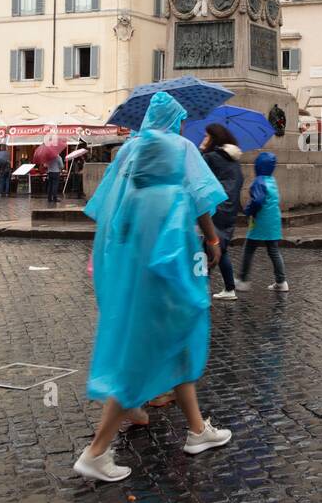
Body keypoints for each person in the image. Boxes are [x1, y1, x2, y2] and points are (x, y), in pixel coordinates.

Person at [73, 92, 232, 482]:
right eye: (178, 122)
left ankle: (197, 430)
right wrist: (212, 241)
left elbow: (109, 212)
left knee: (171, 342)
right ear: (175, 123)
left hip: (132, 266)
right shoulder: (180, 152)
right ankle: (96, 451)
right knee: (149, 348)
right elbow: (202, 201)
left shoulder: (130, 153)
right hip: (167, 271)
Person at [201, 124, 245, 301]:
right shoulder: (233, 160)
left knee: (207, 248)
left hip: (214, 210)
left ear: (214, 139)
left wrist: (200, 153)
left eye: (206, 137)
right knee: (221, 248)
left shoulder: (210, 157)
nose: (204, 140)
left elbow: (198, 179)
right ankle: (229, 288)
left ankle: (202, 290)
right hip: (230, 209)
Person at [236, 152, 288, 292]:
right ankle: (281, 281)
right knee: (273, 251)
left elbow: (257, 201)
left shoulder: (259, 181)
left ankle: (243, 279)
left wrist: (248, 210)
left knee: (249, 249)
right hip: (273, 220)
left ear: (258, 166)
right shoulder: (271, 180)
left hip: (260, 221)